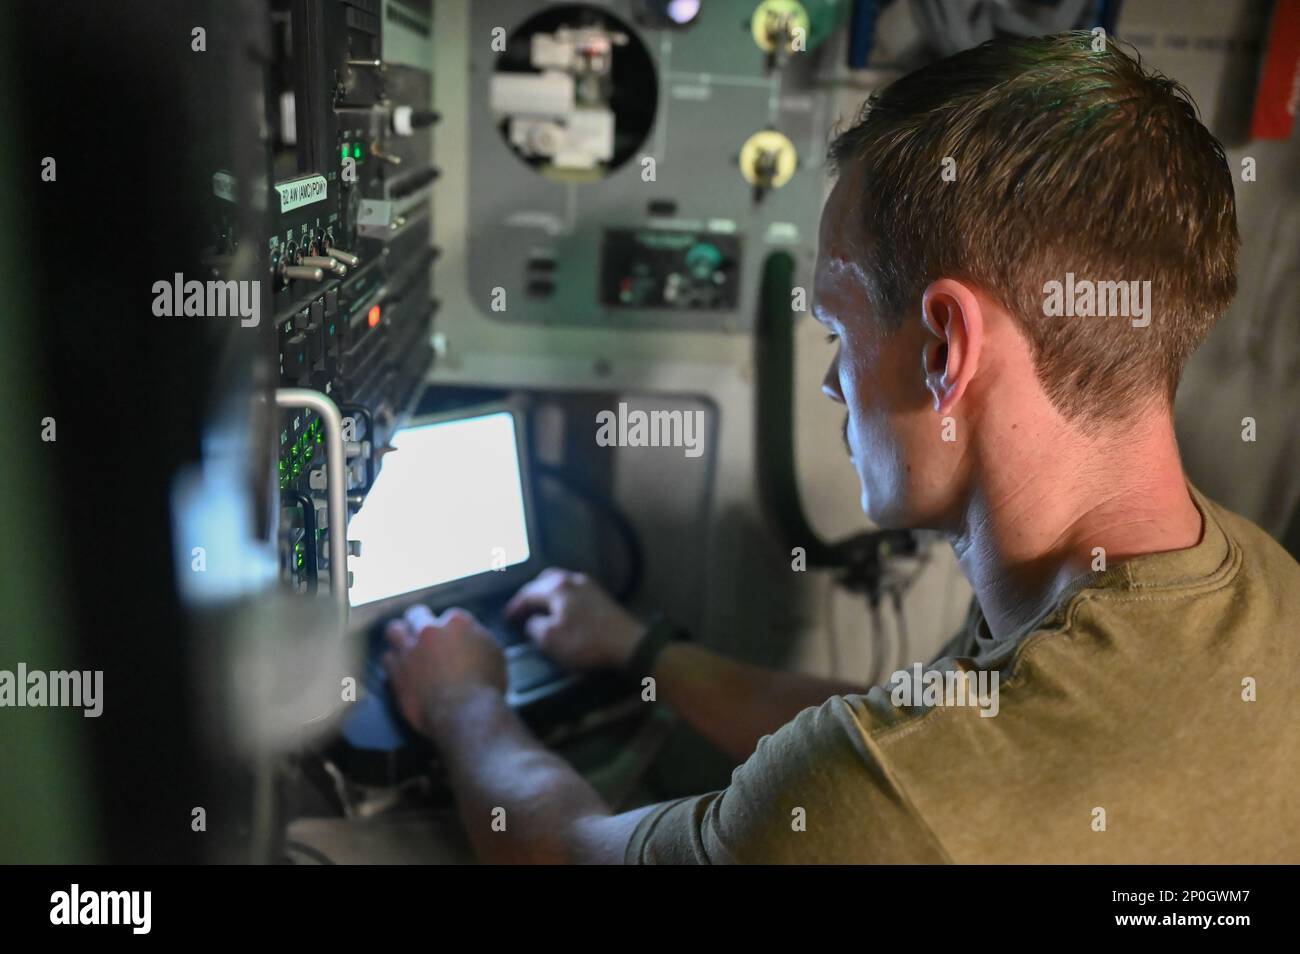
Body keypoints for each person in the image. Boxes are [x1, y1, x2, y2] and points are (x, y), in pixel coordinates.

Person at [382, 32, 1300, 863]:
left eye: (836, 326)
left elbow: (568, 855)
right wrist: (641, 647)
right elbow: (898, 742)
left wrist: (463, 700)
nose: (831, 382)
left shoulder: (897, 802)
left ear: (945, 349)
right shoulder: (1259, 585)